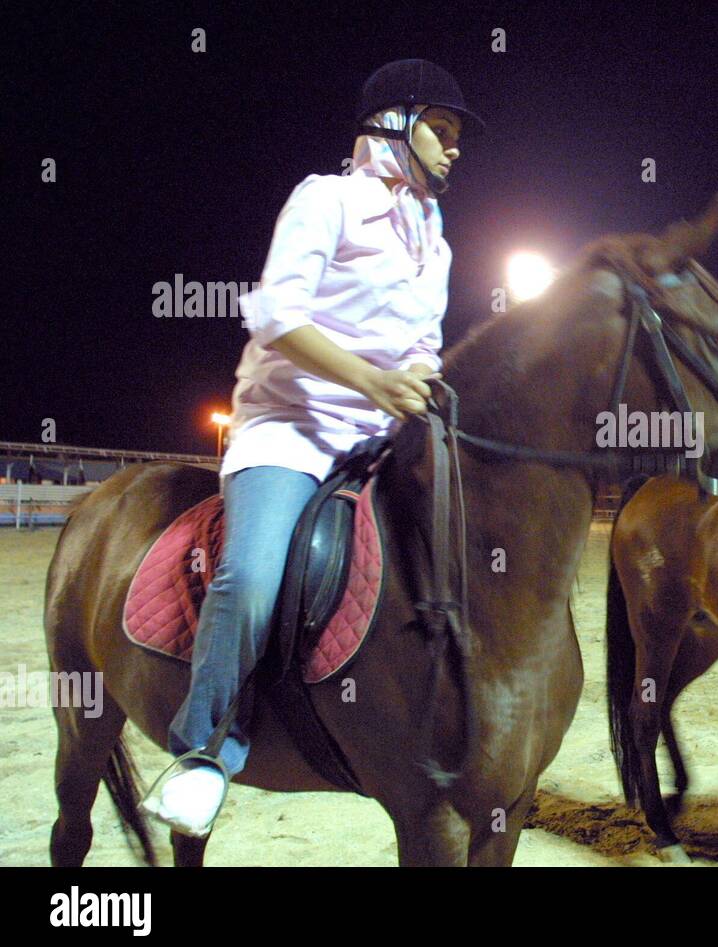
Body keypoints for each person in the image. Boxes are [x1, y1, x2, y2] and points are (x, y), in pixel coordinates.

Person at [140, 59, 485, 837]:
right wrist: (372, 380)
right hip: (291, 428)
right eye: (444, 129)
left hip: (377, 434)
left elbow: (425, 344)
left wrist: (421, 380)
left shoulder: (434, 237)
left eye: (459, 135)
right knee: (253, 573)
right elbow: (275, 315)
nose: (455, 148)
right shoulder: (323, 199)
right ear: (393, 124)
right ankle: (205, 749)